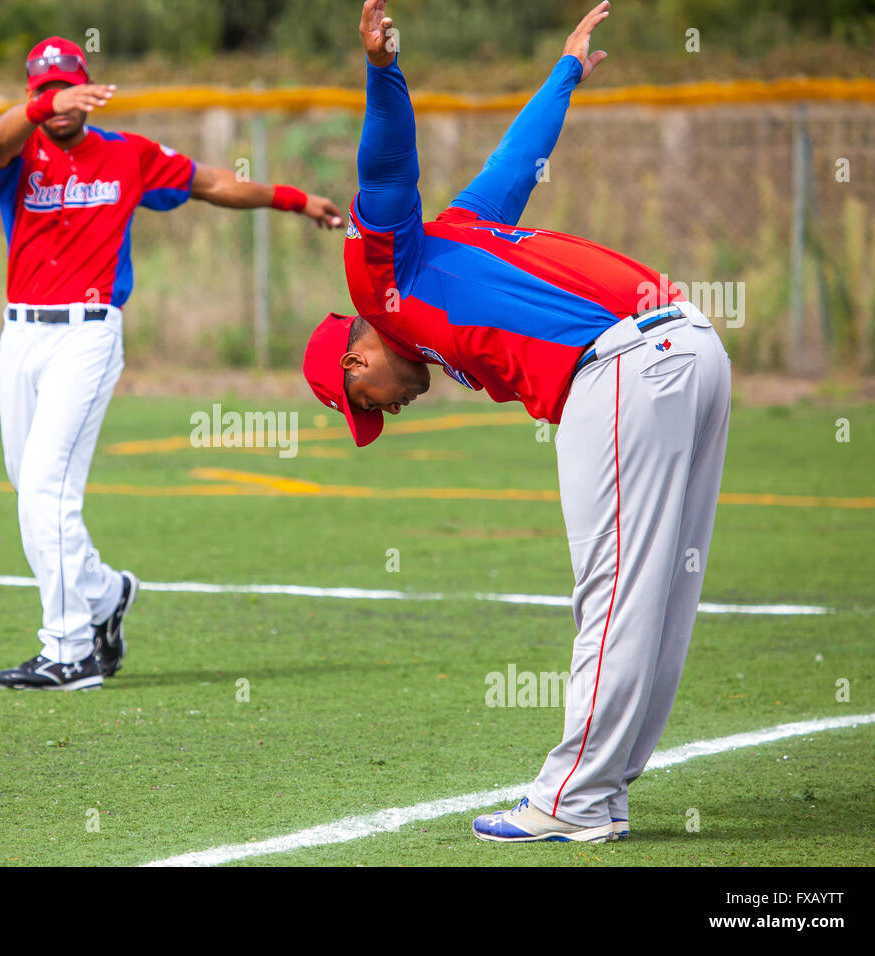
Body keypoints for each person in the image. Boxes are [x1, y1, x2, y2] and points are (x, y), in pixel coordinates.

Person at [302, 1, 731, 842]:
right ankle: (602, 792)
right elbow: (520, 155)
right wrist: (565, 73)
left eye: (370, 405)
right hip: (691, 346)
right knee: (659, 593)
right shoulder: (462, 230)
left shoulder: (382, 279)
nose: (390, 409)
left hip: (624, 368)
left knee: (615, 597)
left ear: (356, 363)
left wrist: (383, 72)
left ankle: (571, 799)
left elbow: (386, 169)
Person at [0, 37, 343, 691]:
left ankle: (68, 651)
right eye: (43, 92)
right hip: (20, 335)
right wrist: (40, 108)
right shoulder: (19, 149)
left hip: (87, 336)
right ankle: (106, 594)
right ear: (33, 95)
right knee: (27, 487)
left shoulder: (128, 155)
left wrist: (290, 199)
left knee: (45, 491)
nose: (58, 102)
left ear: (91, 89)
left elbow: (213, 182)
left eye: (67, 89)